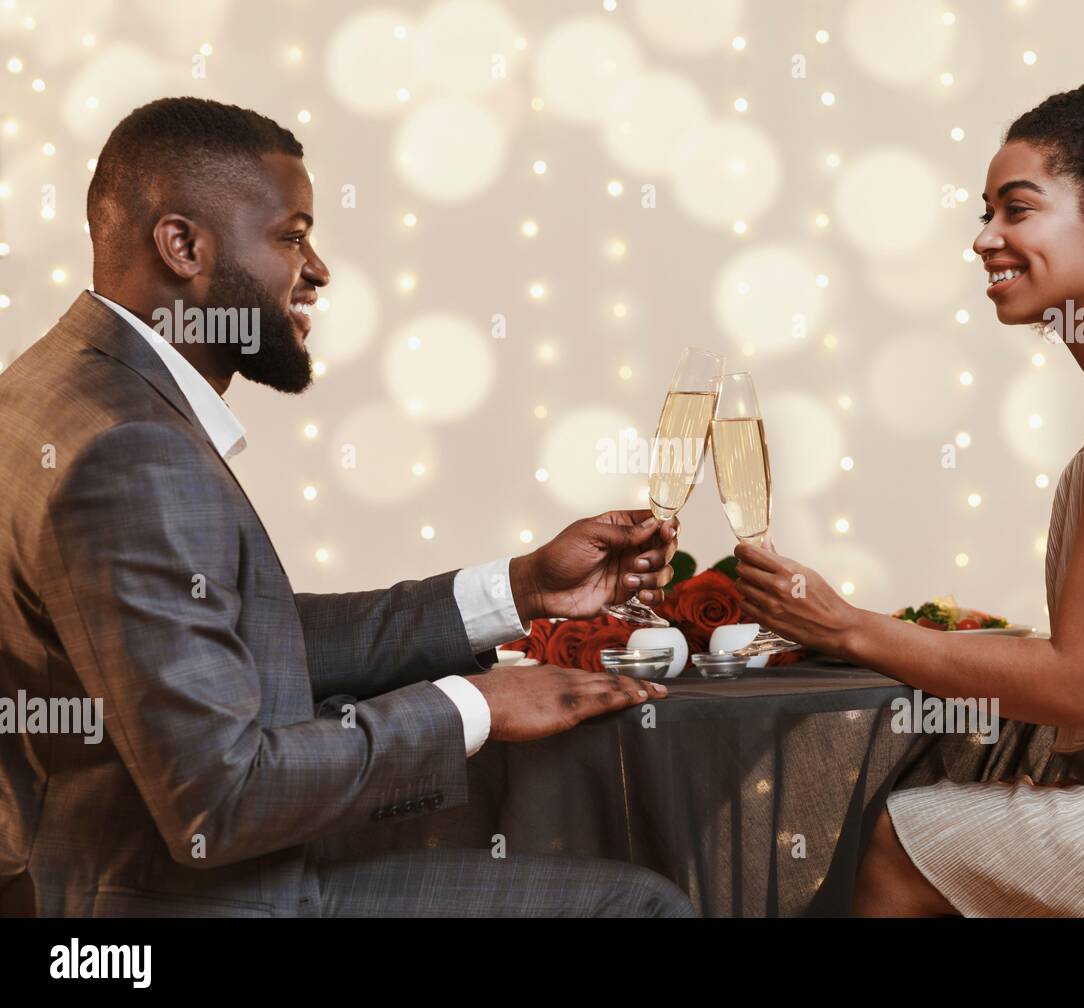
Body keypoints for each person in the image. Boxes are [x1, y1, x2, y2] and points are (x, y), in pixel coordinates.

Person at [0, 97, 694, 918]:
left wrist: (519, 589)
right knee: (640, 906)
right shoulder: (131, 452)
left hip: (112, 880)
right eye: (292, 237)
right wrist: (472, 705)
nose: (318, 268)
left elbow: (224, 643)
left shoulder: (55, 389)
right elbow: (221, 803)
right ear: (183, 245)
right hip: (168, 906)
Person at [733, 83, 1084, 917]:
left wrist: (847, 625)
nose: (984, 238)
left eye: (1017, 210)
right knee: (948, 787)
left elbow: (1079, 684)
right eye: (985, 212)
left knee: (902, 840)